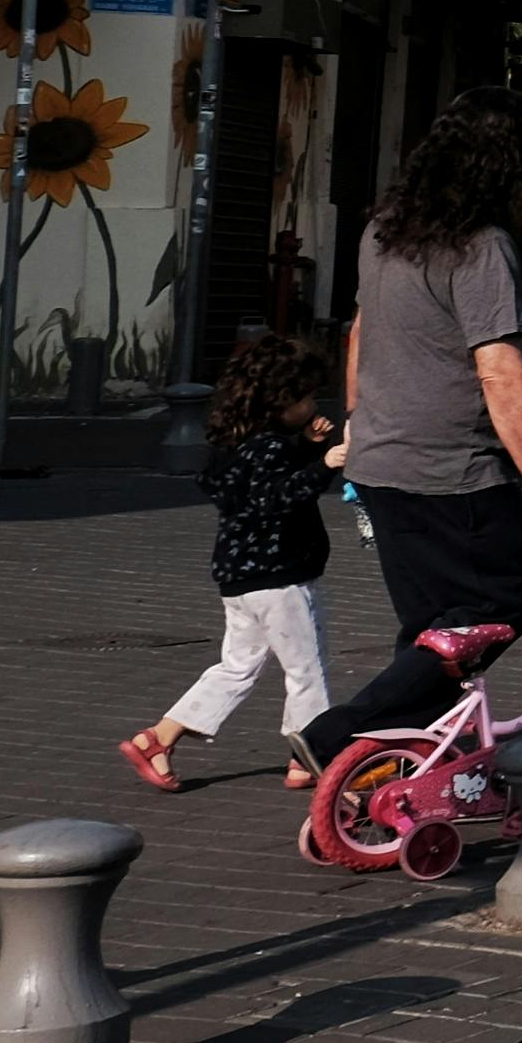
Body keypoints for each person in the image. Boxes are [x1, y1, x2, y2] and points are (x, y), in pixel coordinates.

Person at [300, 87, 522, 773]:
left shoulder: (386, 231)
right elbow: (498, 369)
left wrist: (358, 423)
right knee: (492, 613)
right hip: (455, 472)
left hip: (382, 464)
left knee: (434, 631)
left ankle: (396, 769)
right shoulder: (482, 246)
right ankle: (337, 736)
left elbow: (360, 333)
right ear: (515, 165)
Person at [121, 329, 347, 792]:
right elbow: (275, 497)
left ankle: (159, 738)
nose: (313, 405)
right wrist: (324, 463)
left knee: (237, 666)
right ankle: (310, 755)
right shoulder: (271, 447)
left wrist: (305, 446)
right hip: (280, 576)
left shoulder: (235, 443)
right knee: (307, 668)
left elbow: (250, 487)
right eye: (306, 396)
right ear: (281, 400)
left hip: (239, 578)